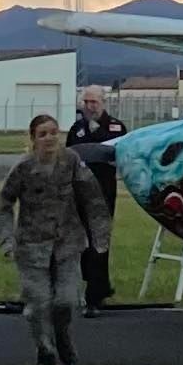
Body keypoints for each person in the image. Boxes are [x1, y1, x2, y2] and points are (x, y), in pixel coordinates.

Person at [0, 111, 112, 365]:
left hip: (67, 243)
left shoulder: (71, 162)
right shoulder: (23, 168)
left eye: (53, 133)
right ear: (33, 139)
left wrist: (100, 238)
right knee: (38, 304)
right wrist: (6, 241)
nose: (49, 139)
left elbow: (93, 200)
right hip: (31, 247)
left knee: (67, 301)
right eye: (42, 134)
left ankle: (63, 337)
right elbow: (3, 204)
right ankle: (45, 353)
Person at [66, 90, 126, 309]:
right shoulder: (76, 129)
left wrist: (97, 132)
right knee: (81, 242)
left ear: (103, 103)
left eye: (94, 101)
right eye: (86, 102)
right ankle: (96, 284)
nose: (90, 106)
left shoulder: (115, 127)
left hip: (102, 193)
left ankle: (95, 292)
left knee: (99, 241)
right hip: (79, 191)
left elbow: (117, 155)